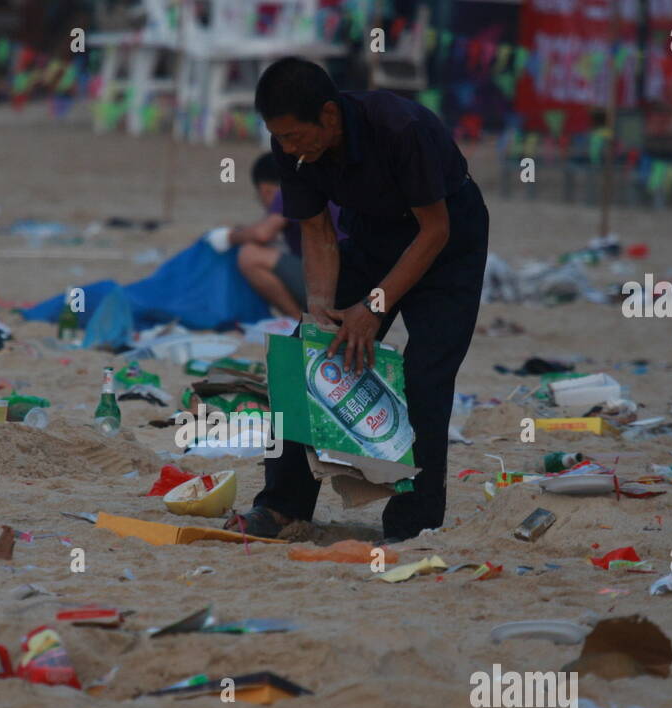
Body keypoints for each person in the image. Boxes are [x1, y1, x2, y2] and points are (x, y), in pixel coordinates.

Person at [228, 57, 488, 544]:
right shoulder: (292, 147)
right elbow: (317, 230)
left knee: (425, 378)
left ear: (328, 116)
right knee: (310, 354)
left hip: (449, 242)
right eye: (278, 137)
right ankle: (283, 506)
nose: (287, 148)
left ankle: (415, 522)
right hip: (374, 234)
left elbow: (435, 231)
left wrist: (373, 307)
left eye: (293, 136)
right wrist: (322, 310)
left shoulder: (400, 129)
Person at [205, 154, 344, 320]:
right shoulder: (320, 183)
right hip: (354, 278)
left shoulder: (289, 189)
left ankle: (297, 321)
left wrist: (227, 237)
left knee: (250, 255)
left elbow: (262, 234)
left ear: (265, 189)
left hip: (335, 281)